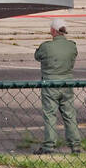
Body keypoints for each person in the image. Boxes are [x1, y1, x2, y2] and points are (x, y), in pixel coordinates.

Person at [34, 18, 81, 154]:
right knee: (69, 114)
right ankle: (75, 144)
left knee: (50, 114)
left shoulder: (46, 47)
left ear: (53, 31)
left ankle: (49, 144)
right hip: (67, 84)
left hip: (50, 85)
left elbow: (37, 56)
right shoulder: (72, 46)